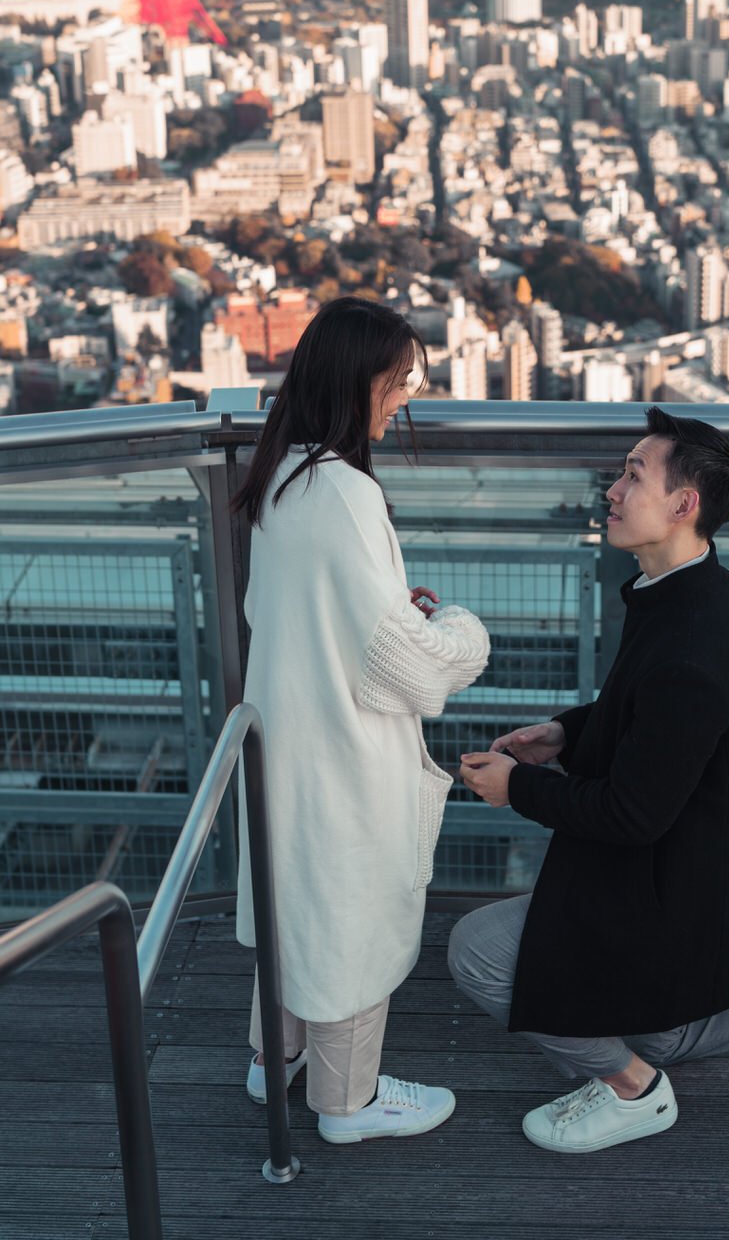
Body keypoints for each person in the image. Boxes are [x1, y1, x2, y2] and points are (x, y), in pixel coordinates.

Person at [449, 406, 729, 1154]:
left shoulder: (691, 634)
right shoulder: (684, 591)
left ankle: (634, 1092)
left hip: (662, 882)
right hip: (687, 869)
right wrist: (567, 731)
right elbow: (645, 712)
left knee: (477, 951)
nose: (612, 489)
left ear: (683, 504)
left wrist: (515, 789)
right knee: (655, 1025)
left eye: (633, 474)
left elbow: (632, 811)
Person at [232, 296, 490, 1145]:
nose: (402, 398)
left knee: (293, 897)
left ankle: (277, 1056)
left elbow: (280, 609)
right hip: (343, 750)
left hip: (285, 737)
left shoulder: (282, 472)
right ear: (356, 383)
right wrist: (459, 630)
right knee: (347, 913)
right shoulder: (342, 490)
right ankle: (346, 1103)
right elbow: (410, 670)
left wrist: (386, 613)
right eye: (395, 381)